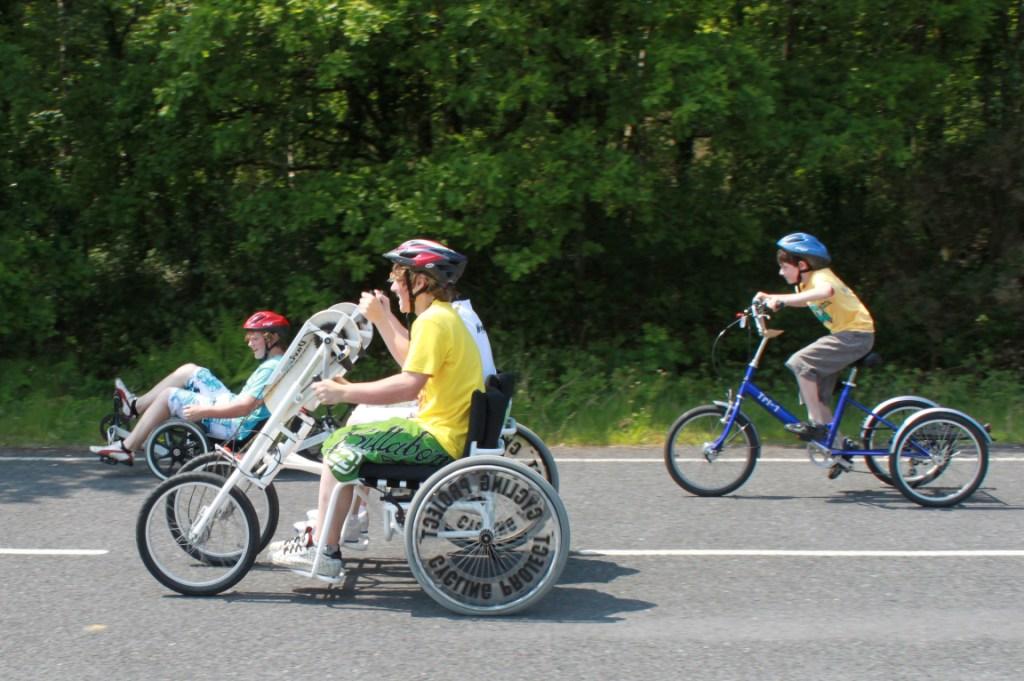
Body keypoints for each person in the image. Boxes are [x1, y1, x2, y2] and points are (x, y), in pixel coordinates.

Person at [268, 239, 484, 580]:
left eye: (399, 278)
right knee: (356, 435)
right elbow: (416, 378)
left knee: (340, 446)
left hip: (438, 438)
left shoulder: (433, 323)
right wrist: (351, 391)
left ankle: (324, 550)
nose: (392, 284)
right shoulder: (442, 318)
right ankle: (340, 530)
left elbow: (408, 385)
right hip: (443, 429)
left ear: (420, 282)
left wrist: (346, 393)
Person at [89, 311, 290, 465]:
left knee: (169, 396)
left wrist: (203, 411)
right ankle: (133, 406)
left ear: (271, 338)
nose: (249, 344)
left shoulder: (271, 368)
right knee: (190, 371)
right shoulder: (276, 364)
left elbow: (244, 408)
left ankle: (126, 448)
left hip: (234, 425)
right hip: (232, 407)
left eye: (254, 338)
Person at [754, 232, 875, 478]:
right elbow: (804, 301)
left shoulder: (821, 277)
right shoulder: (805, 285)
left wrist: (782, 299)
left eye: (784, 267)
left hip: (855, 335)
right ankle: (840, 450)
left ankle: (819, 428)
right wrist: (769, 297)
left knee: (800, 362)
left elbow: (825, 292)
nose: (780, 273)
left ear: (802, 265)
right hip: (846, 336)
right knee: (817, 398)